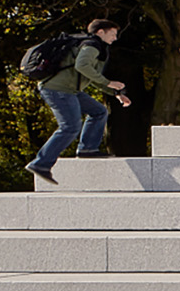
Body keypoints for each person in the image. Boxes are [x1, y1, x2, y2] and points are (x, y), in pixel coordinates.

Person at [24, 19, 131, 185]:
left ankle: (88, 149)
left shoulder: (93, 46)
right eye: (113, 34)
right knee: (70, 127)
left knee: (99, 111)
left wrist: (114, 92)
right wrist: (109, 82)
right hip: (58, 90)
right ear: (101, 32)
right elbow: (82, 66)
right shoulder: (92, 45)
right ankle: (40, 163)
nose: (115, 38)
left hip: (69, 90)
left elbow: (90, 75)